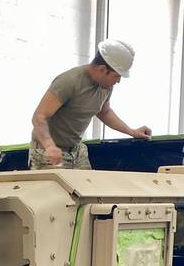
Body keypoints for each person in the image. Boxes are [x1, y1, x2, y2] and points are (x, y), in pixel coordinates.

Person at [29, 39, 152, 170]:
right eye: (116, 76)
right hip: (48, 152)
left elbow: (104, 112)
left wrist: (132, 132)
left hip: (76, 150)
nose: (119, 81)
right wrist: (49, 146)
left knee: (88, 187)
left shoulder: (106, 85)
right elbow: (39, 116)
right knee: (57, 190)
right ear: (102, 69)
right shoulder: (69, 81)